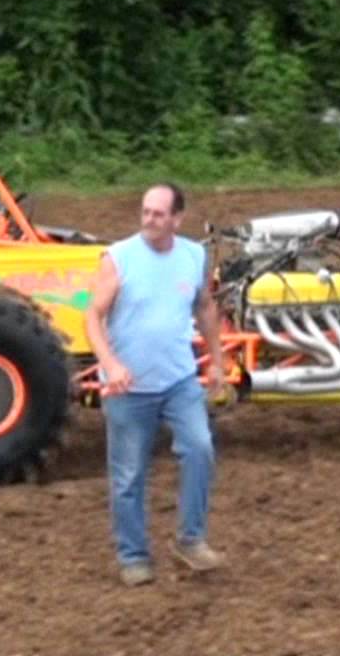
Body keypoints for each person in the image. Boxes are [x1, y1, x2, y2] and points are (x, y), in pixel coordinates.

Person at [84, 182, 226, 587]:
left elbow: (204, 307)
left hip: (179, 379)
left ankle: (191, 539)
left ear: (177, 219)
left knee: (200, 448)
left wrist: (216, 360)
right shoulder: (119, 258)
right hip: (129, 388)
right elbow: (92, 316)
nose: (149, 219)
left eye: (158, 214)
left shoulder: (193, 256)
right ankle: (133, 556)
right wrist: (110, 364)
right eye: (145, 211)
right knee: (128, 475)